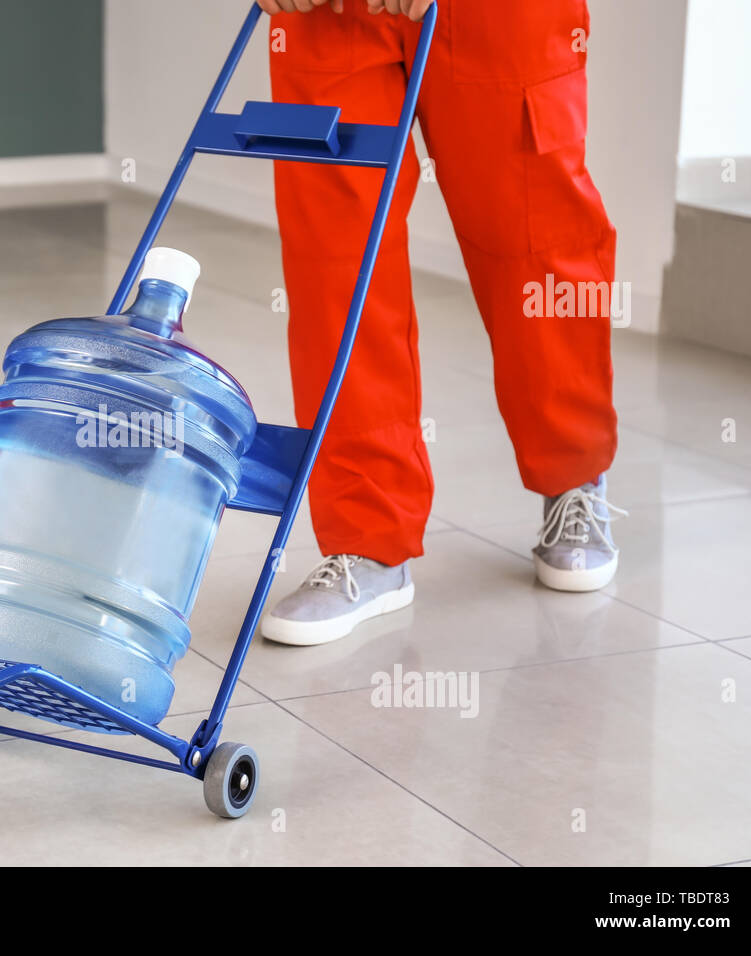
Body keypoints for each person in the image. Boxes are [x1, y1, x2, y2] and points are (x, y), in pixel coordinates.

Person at [257, 0, 625, 646]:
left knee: (537, 238)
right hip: (327, 15)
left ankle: (574, 476)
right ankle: (368, 540)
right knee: (335, 261)